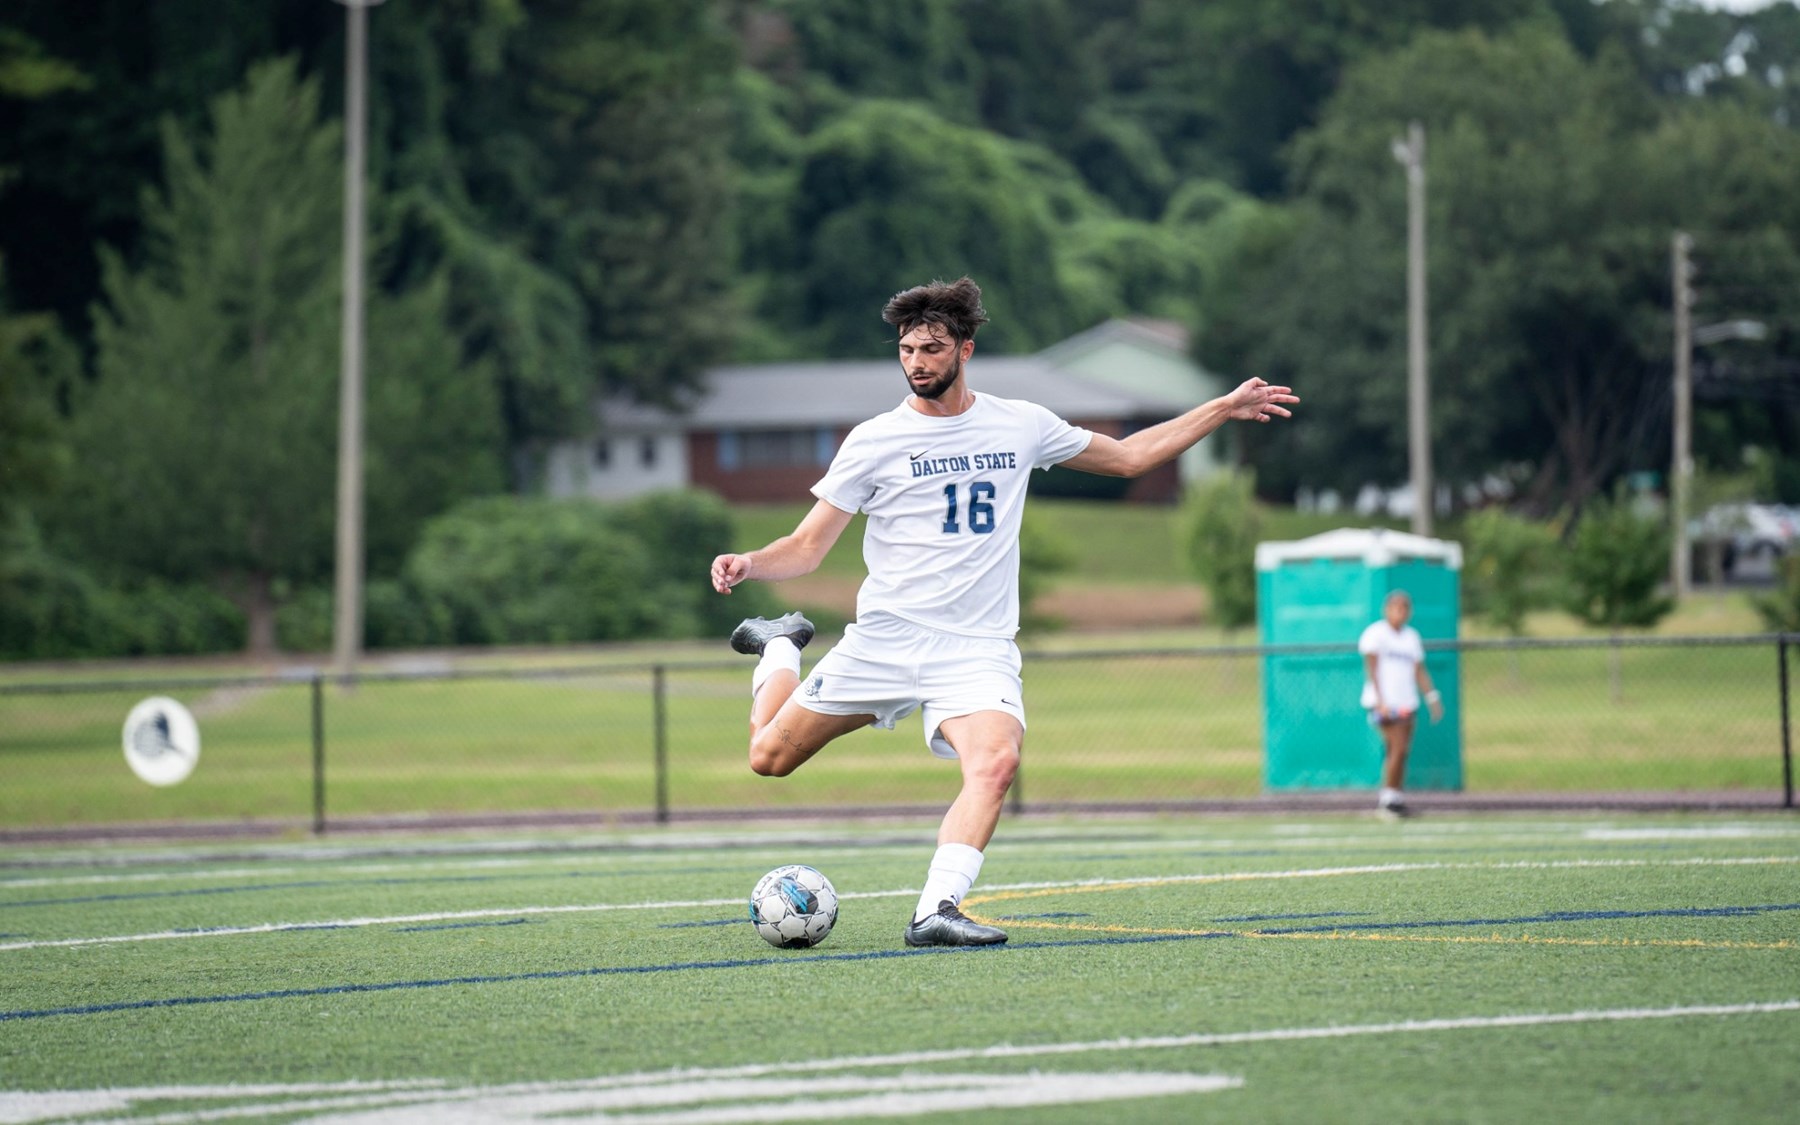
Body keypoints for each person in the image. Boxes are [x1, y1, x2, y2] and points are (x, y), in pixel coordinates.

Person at [709, 276, 1298, 946]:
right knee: (767, 758)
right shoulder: (874, 439)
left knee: (995, 763)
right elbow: (808, 547)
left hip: (975, 649)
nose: (917, 361)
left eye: (931, 347)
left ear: (965, 348)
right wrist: (752, 561)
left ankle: (936, 909)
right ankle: (783, 646)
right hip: (887, 641)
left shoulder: (1020, 424)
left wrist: (1221, 407)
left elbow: (1132, 456)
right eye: (906, 349)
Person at [1358, 589, 1444, 820]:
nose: (1401, 613)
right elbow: (1372, 669)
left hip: (1407, 700)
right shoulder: (1376, 633)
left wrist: (1432, 697)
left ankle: (1394, 798)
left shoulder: (1411, 637)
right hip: (1384, 703)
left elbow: (1419, 670)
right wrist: (1380, 701)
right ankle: (1388, 800)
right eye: (1397, 608)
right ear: (1387, 610)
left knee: (1399, 751)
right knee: (1398, 747)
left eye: (1405, 608)